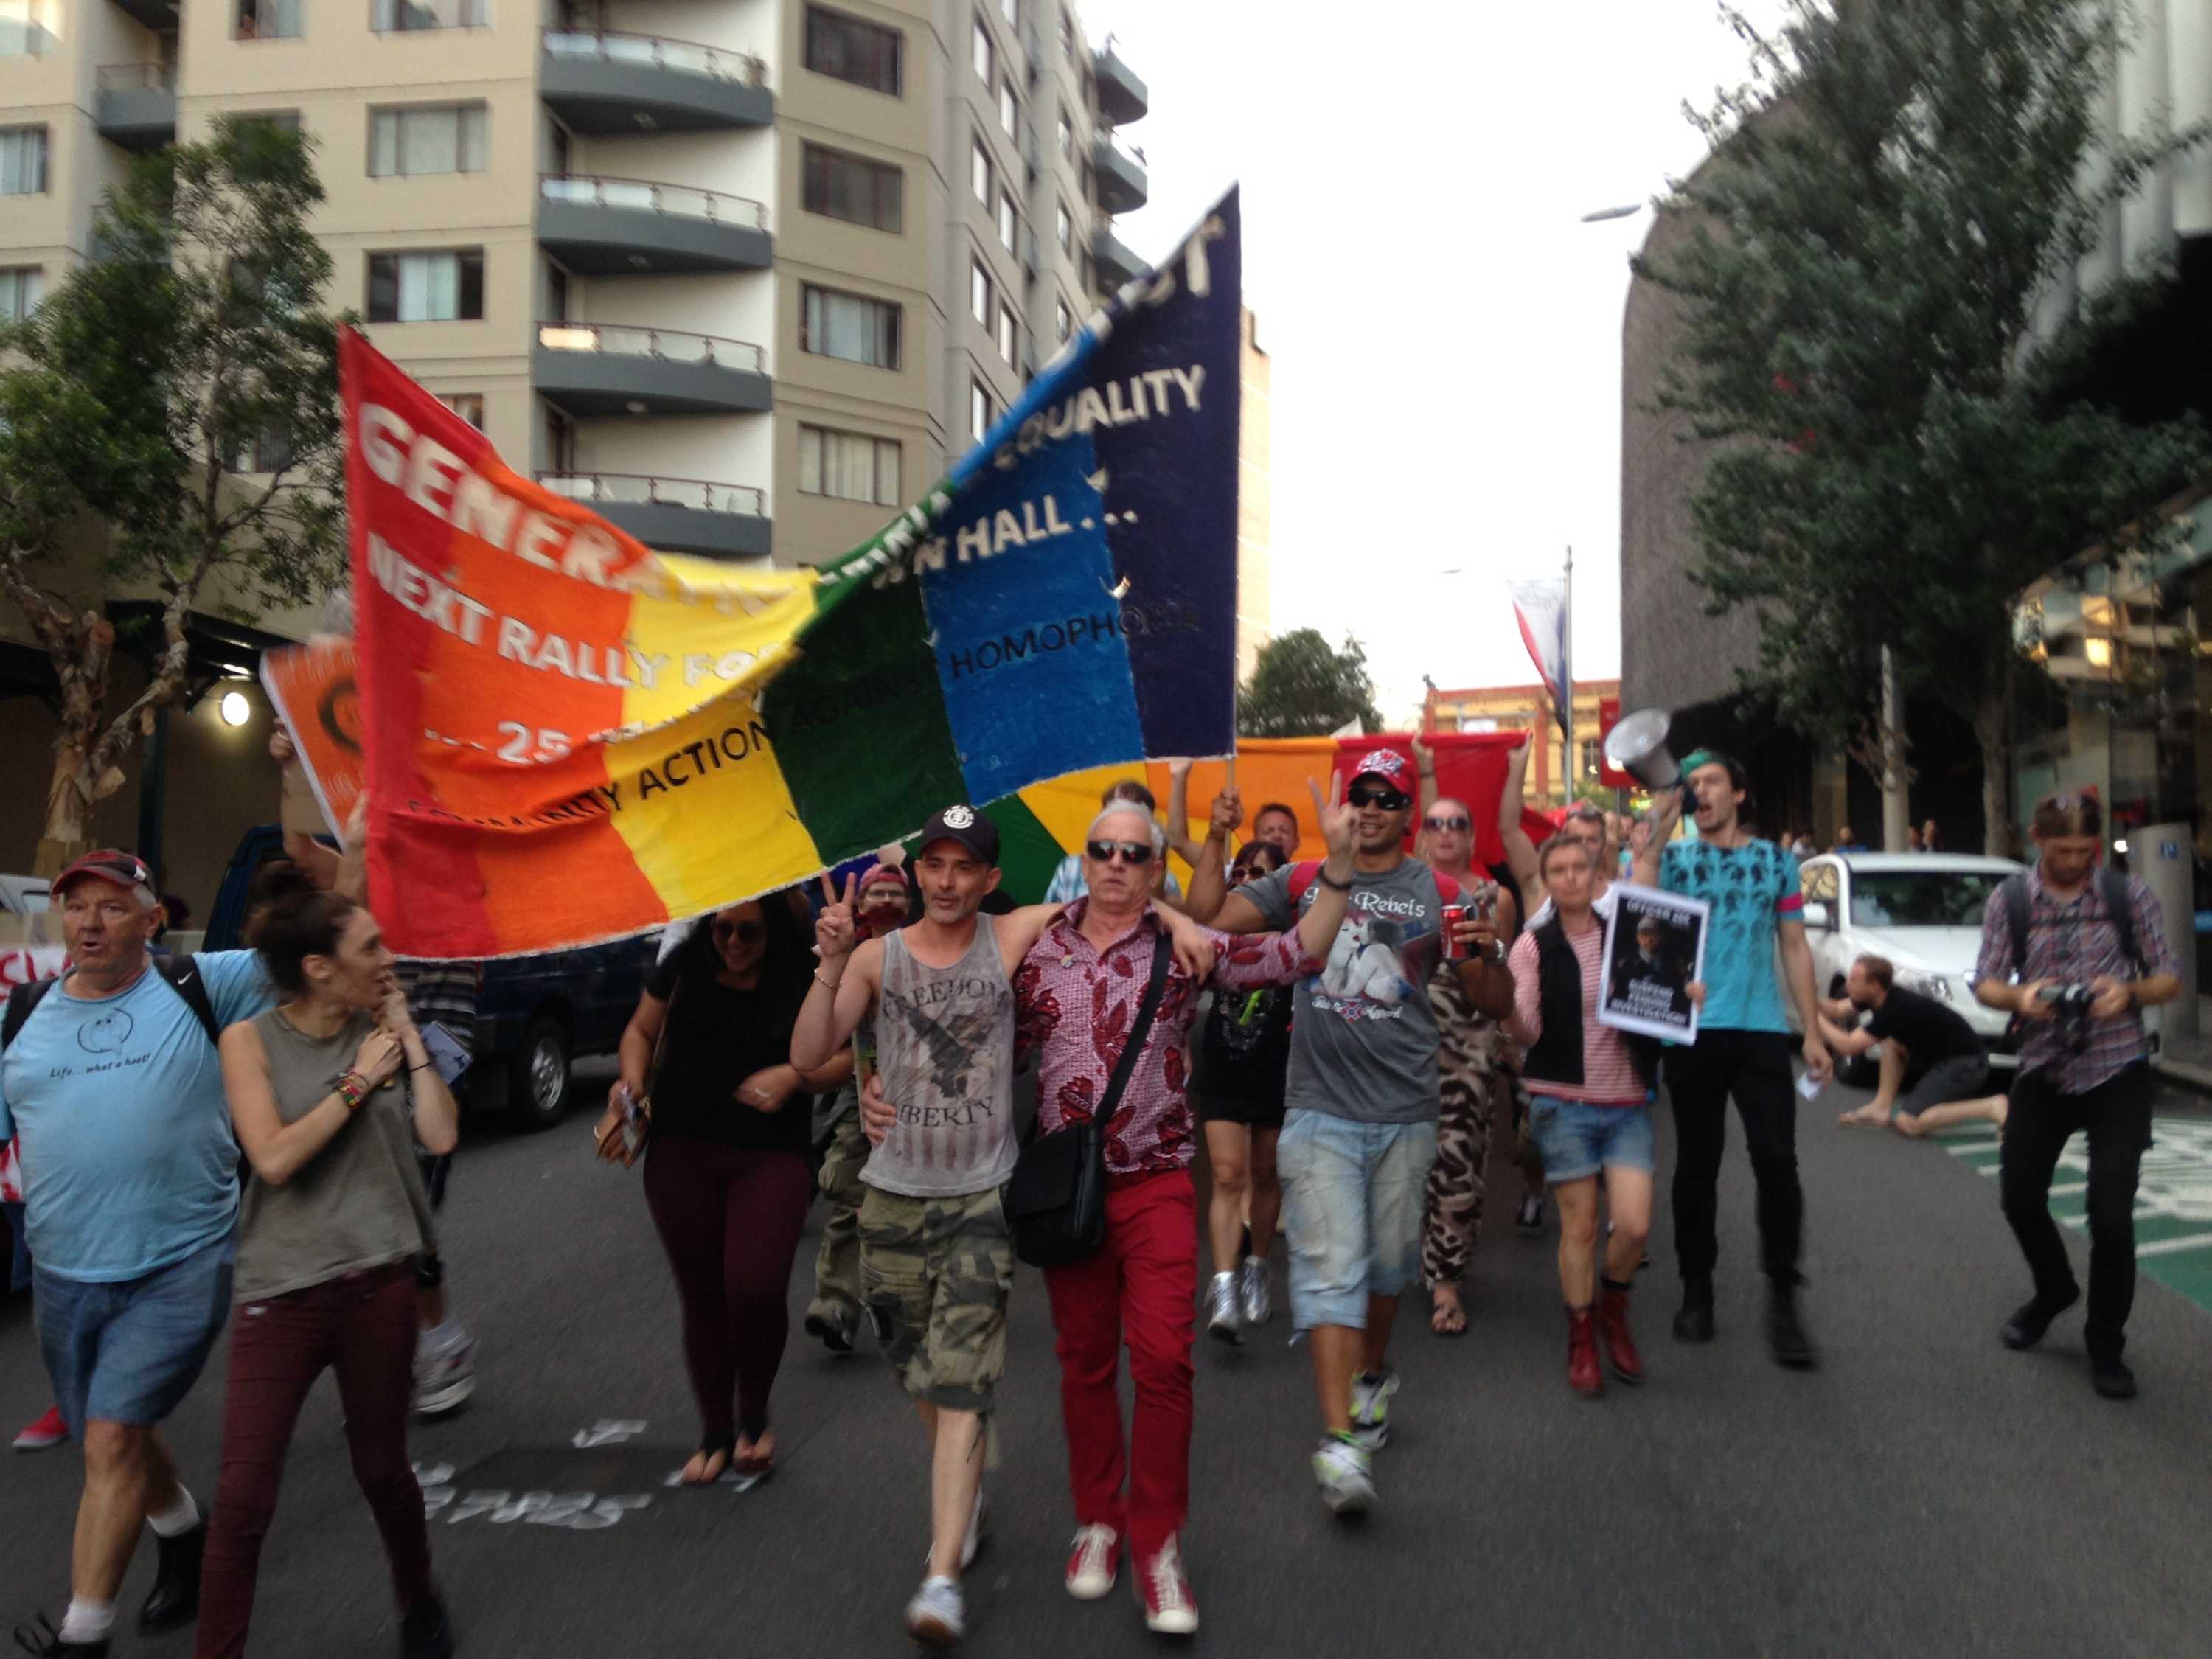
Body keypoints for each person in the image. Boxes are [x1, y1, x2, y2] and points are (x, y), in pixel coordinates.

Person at [955, 783, 1354, 1636]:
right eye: (1103, 850)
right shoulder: (1039, 946)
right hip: (1068, 1195)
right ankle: (1098, 1520)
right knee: (1084, 1362)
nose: (1117, 865)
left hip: (1160, 1184)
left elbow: (1297, 953)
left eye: (1136, 853)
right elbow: (972, 1032)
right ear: (1086, 858)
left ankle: (1158, 1541)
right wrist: (884, 1088)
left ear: (1153, 869)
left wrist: (1343, 871)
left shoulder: (1186, 948)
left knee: (1166, 1363)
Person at [793, 807, 1142, 1650]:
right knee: (917, 1369)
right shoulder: (877, 958)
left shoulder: (1010, 934)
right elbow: (808, 1056)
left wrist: (1183, 921)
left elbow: (1115, 900)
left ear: (990, 879)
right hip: (891, 1201)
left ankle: (942, 1577)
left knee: (960, 1387)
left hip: (982, 1202)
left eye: (964, 866)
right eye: (935, 864)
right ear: (918, 873)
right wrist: (831, 964)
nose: (947, 880)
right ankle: (967, 1491)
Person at [1205, 751, 1514, 1517]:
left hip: (1406, 1112)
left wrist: (1486, 951)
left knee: (1385, 1271)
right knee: (1331, 1270)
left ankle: (1372, 1377)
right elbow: (1209, 919)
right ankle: (1340, 1440)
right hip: (1318, 1110)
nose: (1371, 807)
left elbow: (1493, 1002)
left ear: (1408, 813)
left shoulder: (1443, 893)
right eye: (1362, 795)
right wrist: (1214, 837)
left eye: (1388, 798)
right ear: (1345, 805)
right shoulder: (1302, 880)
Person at [3, 851, 275, 1659]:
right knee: (112, 1428)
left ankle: (84, 1634)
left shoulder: (203, 984)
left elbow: (324, 942)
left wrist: (357, 853)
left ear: (153, 920)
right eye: (75, 907)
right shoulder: (21, 1014)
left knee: (112, 1438)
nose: (89, 924)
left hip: (180, 1263)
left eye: (113, 907)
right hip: (63, 1273)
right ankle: (184, 1532)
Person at [194, 868, 459, 1659]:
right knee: (243, 1497)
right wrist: (357, 1082)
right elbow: (273, 1159)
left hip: (378, 1282)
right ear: (318, 967)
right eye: (370, 948)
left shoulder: (387, 1033)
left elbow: (441, 1135)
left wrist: (406, 1036)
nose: (388, 958)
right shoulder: (248, 1042)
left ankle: (420, 1603)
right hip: (282, 1292)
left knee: (383, 1470)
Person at [593, 892, 850, 1487]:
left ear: (773, 931)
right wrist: (630, 1085)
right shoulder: (684, 963)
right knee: (703, 1296)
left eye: (748, 933)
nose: (733, 943)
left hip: (772, 1156)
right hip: (681, 1153)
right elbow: (639, 1031)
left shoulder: (804, 973)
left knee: (754, 1287)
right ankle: (714, 1432)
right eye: (723, 930)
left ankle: (753, 1415)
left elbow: (844, 1058)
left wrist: (793, 1076)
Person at [1972, 790, 2178, 1400]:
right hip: (2043, 1067)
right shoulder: (2010, 900)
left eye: (2085, 850)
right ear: (2037, 841)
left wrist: (2129, 993)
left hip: (2118, 1069)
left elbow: (2168, 977)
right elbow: (1985, 982)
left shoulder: (2128, 895)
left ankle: (2105, 1344)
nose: (2074, 861)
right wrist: (2020, 997)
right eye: (2062, 850)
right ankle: (2054, 1289)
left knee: (2111, 1217)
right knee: (2019, 1198)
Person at [1635, 751, 1831, 1369]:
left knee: (1777, 1162)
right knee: (1697, 1166)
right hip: (1691, 1032)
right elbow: (1640, 911)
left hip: (1761, 1030)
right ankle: (1697, 1289)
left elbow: (1794, 947)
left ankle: (1783, 1295)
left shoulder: (1776, 861)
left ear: (1739, 793)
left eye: (1712, 782)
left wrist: (1814, 1030)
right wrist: (1660, 818)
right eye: (1692, 785)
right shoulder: (1671, 858)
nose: (1701, 792)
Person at [1508, 835, 1676, 1395]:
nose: (1571, 877)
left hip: (1626, 1101)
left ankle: (1613, 1308)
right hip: (1563, 1102)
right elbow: (1527, 1030)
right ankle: (1581, 1335)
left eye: (1580, 867)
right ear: (1547, 881)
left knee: (1634, 1226)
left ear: (1596, 872)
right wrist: (1506, 1008)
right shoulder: (1532, 946)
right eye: (1558, 870)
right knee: (1579, 1227)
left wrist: (1685, 997)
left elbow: (1661, 1001)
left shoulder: (1630, 934)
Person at [1410, 737, 1518, 1336]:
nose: (1446, 831)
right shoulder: (1400, 889)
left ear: (1473, 839)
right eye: (1436, 824)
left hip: (1467, 1053)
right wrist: (1425, 768)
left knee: (1458, 1165)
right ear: (1423, 836)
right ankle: (1408, 1256)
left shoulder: (1493, 896)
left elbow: (1503, 982)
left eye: (1458, 824)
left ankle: (1446, 1281)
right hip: (1399, 1051)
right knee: (1403, 1165)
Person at [804, 862, 914, 1354]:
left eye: (896, 892)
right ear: (862, 903)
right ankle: (836, 1304)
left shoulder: (929, 950)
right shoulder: (841, 954)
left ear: (910, 904)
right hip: (861, 1098)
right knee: (850, 1197)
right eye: (877, 892)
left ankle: (903, 1297)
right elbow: (815, 1038)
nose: (886, 900)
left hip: (928, 1104)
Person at [1191, 837, 1295, 1346]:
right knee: (1228, 1175)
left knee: (1265, 1173)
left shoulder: (1298, 938)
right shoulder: (1213, 936)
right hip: (1223, 1064)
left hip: (1276, 1066)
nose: (1248, 881)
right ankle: (1225, 1286)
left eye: (1261, 874)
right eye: (1241, 873)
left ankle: (1257, 1267)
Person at [1821, 955, 2006, 1135]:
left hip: (1968, 1064)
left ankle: (1990, 1107)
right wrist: (1809, 1002)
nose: (1848, 985)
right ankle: (1881, 1107)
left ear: (1875, 985)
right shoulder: (1880, 996)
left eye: (1854, 980)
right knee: (1891, 1040)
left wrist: (1815, 1019)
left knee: (1908, 1123)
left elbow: (1848, 1046)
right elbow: (1837, 1009)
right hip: (1948, 1057)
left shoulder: (1894, 1010)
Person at [1043, 780, 1181, 905]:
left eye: (1133, 814)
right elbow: (1049, 920)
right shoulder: (1071, 867)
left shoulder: (1166, 880)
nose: (1116, 863)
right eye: (1115, 812)